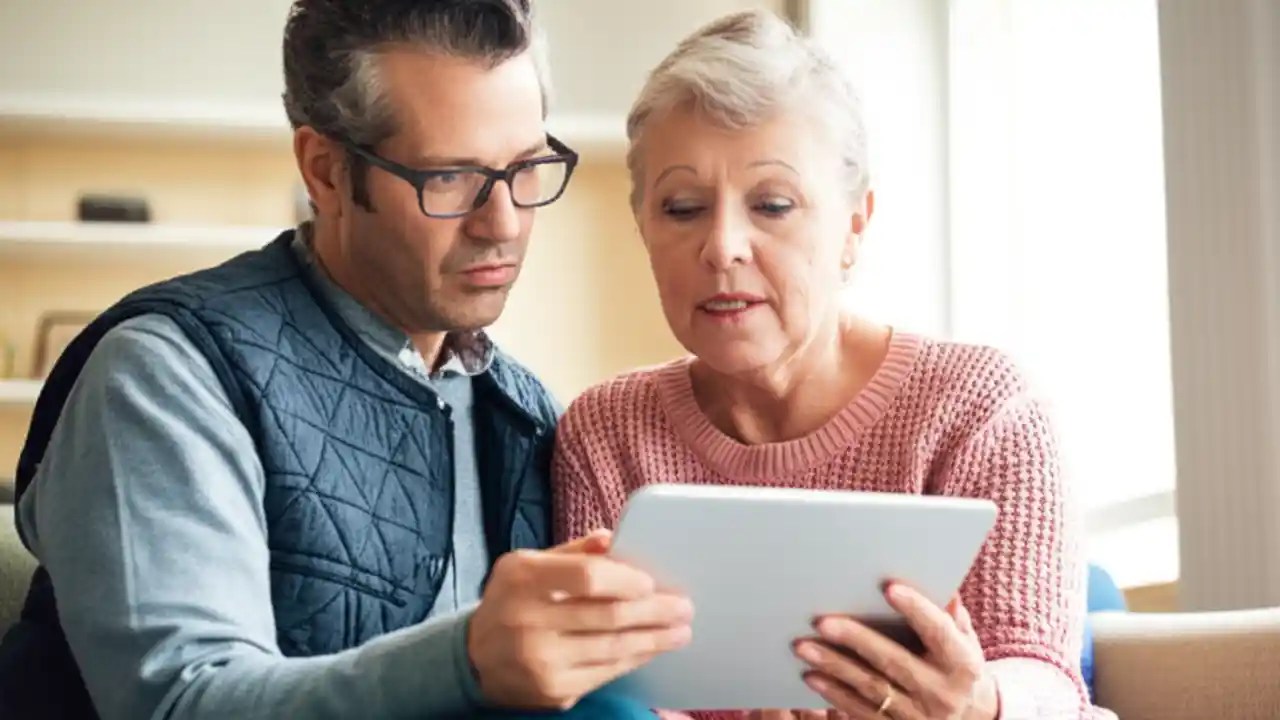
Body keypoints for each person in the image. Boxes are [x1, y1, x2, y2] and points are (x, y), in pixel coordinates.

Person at [0, 1, 692, 718]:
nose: (504, 223)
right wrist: (466, 659)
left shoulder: (523, 409)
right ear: (325, 172)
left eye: (525, 167)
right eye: (449, 178)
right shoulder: (165, 375)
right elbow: (182, 703)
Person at [552, 10, 1116, 720]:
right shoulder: (604, 433)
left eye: (773, 205)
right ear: (644, 229)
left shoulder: (981, 406)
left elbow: (1044, 677)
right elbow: (604, 693)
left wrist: (980, 705)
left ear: (854, 225)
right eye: (683, 207)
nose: (722, 247)